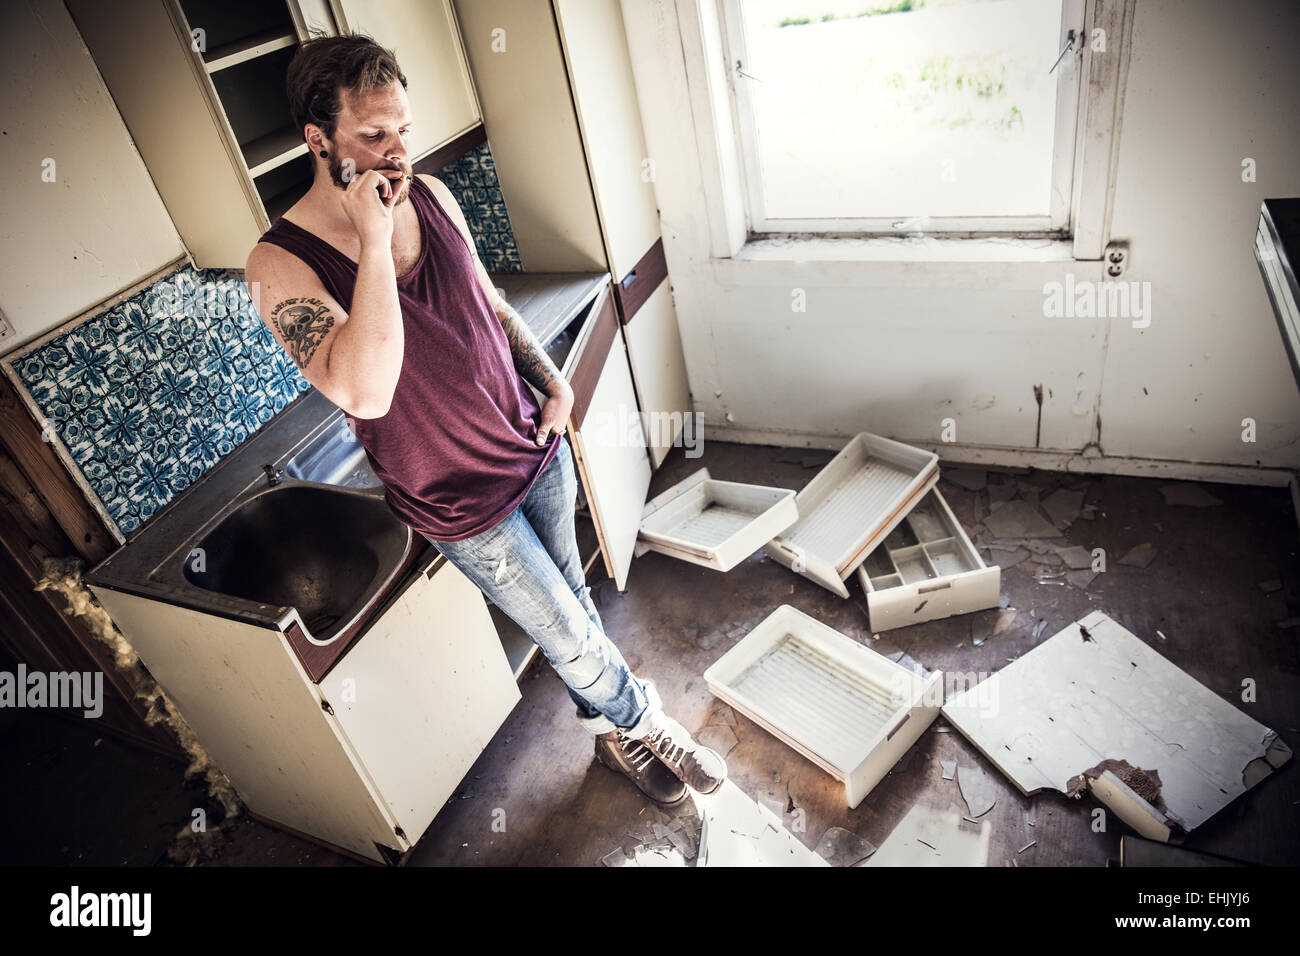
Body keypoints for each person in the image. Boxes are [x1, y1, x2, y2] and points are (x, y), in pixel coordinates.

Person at [243, 34, 726, 808]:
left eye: (403, 128)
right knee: (568, 631)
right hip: (458, 501)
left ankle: (611, 742)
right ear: (318, 140)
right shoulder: (279, 264)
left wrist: (553, 381)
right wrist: (369, 240)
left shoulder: (432, 197)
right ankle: (649, 719)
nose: (398, 152)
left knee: (571, 605)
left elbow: (491, 306)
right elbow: (364, 392)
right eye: (373, 137)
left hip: (531, 445)